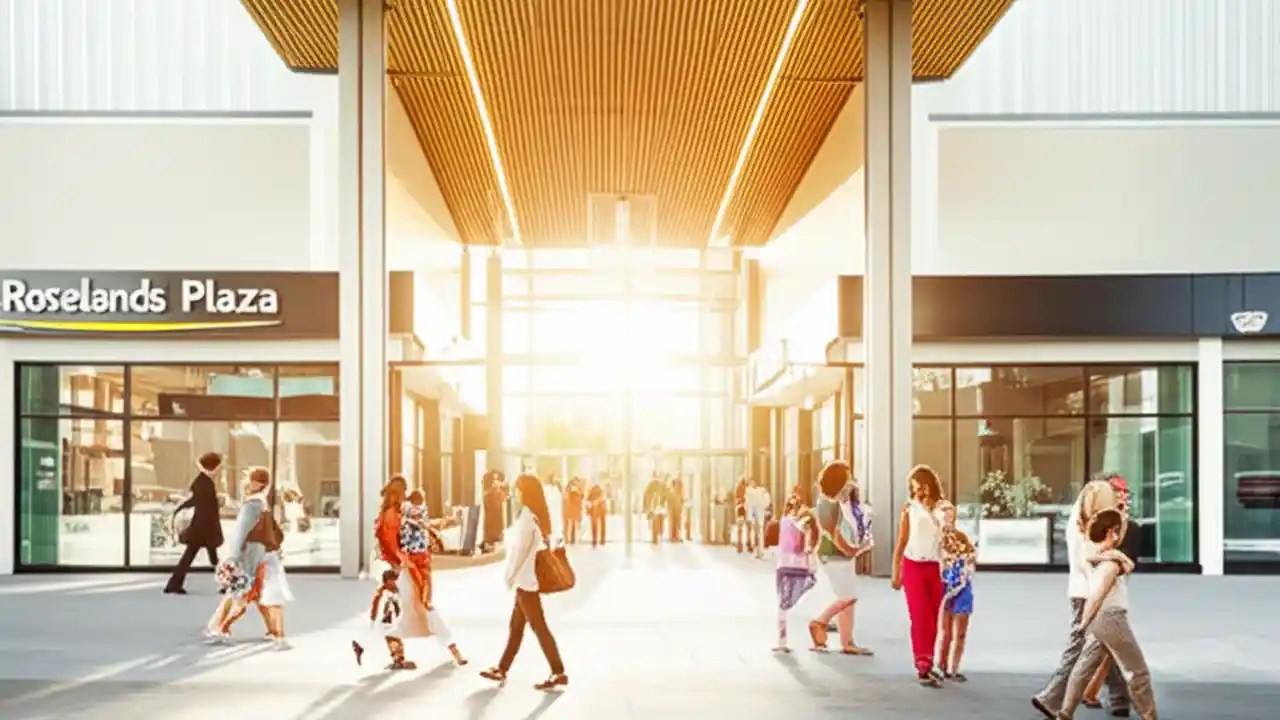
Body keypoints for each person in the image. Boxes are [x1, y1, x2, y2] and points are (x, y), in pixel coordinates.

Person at [1033, 477, 1131, 718]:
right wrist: (1122, 524)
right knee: (1085, 646)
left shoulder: (1078, 523)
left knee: (1110, 643)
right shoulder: (1095, 530)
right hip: (1092, 593)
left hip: (1080, 591)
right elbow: (1106, 552)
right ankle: (1053, 697)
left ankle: (1120, 699)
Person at [1057, 509, 1157, 720]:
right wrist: (1083, 622)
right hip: (1112, 618)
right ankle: (1149, 715)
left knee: (1084, 668)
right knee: (1137, 670)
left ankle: (1064, 713)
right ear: (1111, 532)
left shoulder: (1095, 555)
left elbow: (1128, 566)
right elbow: (1097, 595)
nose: (1122, 536)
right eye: (1118, 531)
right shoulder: (1109, 565)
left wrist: (1118, 554)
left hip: (1099, 621)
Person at [480, 473, 568, 691]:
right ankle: (502, 668)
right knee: (516, 628)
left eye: (518, 489)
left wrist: (509, 577)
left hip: (526, 581)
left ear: (526, 492)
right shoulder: (536, 515)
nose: (515, 493)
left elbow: (519, 552)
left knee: (539, 627)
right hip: (527, 581)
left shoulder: (527, 517)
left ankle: (558, 671)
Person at [807, 461, 874, 656]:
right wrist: (853, 550)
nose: (849, 481)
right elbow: (835, 535)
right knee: (848, 597)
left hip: (835, 556)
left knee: (847, 597)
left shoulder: (826, 501)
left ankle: (847, 642)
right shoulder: (831, 505)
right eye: (847, 477)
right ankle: (820, 622)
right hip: (835, 556)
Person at [891, 464, 947, 687]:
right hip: (913, 564)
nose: (917, 491)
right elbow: (901, 541)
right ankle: (922, 664)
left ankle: (929, 660)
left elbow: (950, 536)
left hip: (935, 566)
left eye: (920, 485)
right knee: (920, 614)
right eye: (913, 487)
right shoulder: (909, 509)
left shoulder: (941, 508)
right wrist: (897, 572)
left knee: (933, 618)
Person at [206, 467, 272, 642]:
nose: (249, 483)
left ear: (259, 483)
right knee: (253, 593)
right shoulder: (261, 503)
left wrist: (232, 557)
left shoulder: (252, 505)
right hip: (256, 552)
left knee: (240, 591)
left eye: (253, 480)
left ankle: (222, 627)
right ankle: (273, 629)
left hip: (246, 554)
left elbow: (240, 533)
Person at [164, 452, 225, 595]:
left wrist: (180, 507)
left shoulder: (202, 481)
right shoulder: (205, 483)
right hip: (204, 528)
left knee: (203, 558)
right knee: (199, 558)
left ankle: (173, 584)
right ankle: (173, 584)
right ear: (214, 467)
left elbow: (197, 502)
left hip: (201, 528)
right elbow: (205, 507)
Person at [936, 502, 975, 682]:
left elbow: (971, 559)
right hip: (944, 586)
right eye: (944, 515)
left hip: (962, 586)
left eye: (951, 515)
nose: (948, 519)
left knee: (960, 632)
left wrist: (966, 573)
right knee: (946, 632)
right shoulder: (934, 539)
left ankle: (954, 668)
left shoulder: (962, 538)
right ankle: (941, 665)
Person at [773, 496, 817, 652]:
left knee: (782, 604)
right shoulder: (799, 522)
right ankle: (782, 641)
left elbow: (807, 542)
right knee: (785, 602)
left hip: (785, 565)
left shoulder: (785, 521)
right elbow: (808, 544)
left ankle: (782, 641)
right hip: (794, 566)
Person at [745, 477, 771, 559]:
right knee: (755, 534)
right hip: (753, 516)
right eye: (750, 483)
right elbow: (747, 504)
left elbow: (767, 501)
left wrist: (765, 508)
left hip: (760, 514)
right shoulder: (749, 491)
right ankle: (755, 550)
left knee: (760, 533)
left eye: (753, 482)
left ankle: (760, 552)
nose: (752, 484)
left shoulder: (762, 491)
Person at [483, 471, 508, 551]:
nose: (495, 481)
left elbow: (503, 498)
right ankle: (490, 543)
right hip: (491, 519)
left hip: (497, 517)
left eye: (497, 479)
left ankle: (494, 541)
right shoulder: (488, 494)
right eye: (493, 479)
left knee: (496, 526)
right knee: (491, 526)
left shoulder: (500, 493)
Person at [643, 473, 668, 544]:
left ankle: (657, 537)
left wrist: (663, 504)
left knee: (658, 522)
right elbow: (646, 495)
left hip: (658, 507)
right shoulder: (651, 485)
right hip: (654, 507)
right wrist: (647, 507)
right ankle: (655, 538)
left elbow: (664, 495)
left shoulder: (661, 485)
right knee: (655, 522)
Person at [564, 477, 585, 544]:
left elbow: (582, 496)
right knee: (572, 523)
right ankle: (570, 539)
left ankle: (573, 539)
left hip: (576, 508)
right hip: (572, 508)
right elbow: (569, 497)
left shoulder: (577, 488)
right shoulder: (571, 488)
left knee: (575, 523)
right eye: (576, 481)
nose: (576, 483)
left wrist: (581, 490)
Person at [587, 481, 607, 547]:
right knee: (602, 525)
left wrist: (594, 503)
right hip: (599, 509)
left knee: (594, 526)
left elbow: (588, 499)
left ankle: (595, 541)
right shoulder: (601, 490)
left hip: (595, 509)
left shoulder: (592, 490)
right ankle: (602, 540)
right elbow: (603, 499)